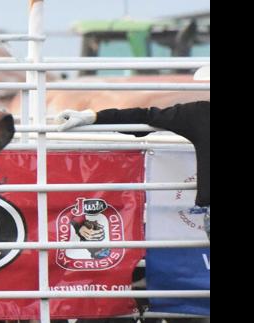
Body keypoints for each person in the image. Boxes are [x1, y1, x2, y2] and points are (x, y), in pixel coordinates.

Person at [57, 65, 209, 240]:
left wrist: (94, 116)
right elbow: (145, 115)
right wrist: (94, 117)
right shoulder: (200, 114)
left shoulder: (200, 114)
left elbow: (146, 116)